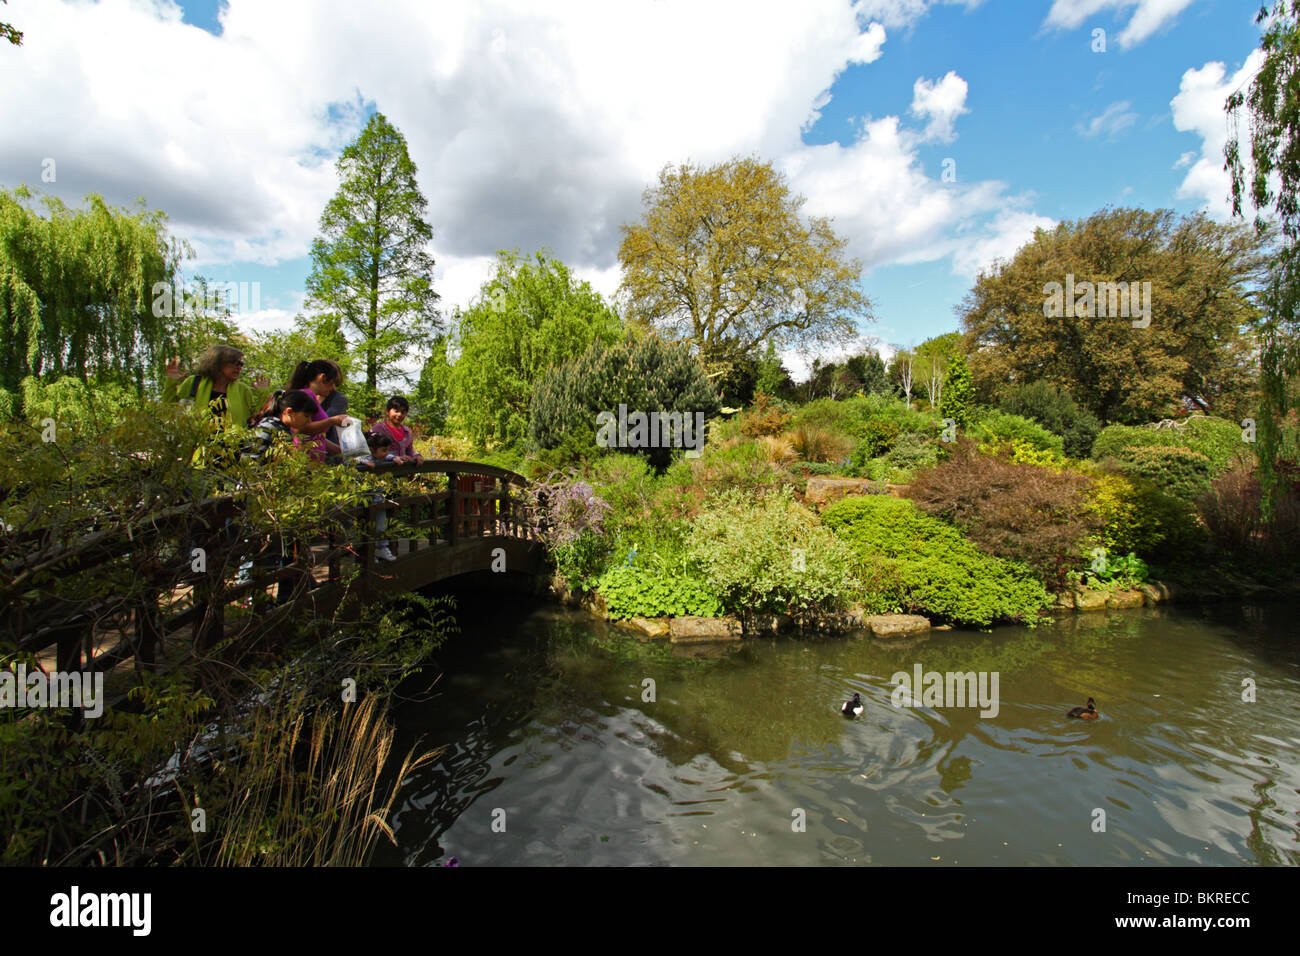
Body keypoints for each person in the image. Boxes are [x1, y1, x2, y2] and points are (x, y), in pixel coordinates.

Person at [163, 344, 269, 431]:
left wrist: (262, 393)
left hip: (234, 450)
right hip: (198, 448)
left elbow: (257, 417)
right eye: (237, 363)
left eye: (242, 364)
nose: (240, 368)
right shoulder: (194, 383)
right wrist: (171, 381)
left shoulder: (243, 390)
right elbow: (169, 407)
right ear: (218, 363)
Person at [358, 431, 398, 562]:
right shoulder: (365, 457)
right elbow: (354, 459)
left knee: (381, 525)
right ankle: (367, 552)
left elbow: (388, 457)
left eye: (387, 450)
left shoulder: (382, 457)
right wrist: (365, 462)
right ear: (372, 449)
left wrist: (393, 458)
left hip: (378, 499)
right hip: (364, 500)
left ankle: (381, 548)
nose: (386, 453)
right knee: (365, 527)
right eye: (384, 450)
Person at [371, 395, 424, 464]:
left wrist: (416, 456)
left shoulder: (406, 432)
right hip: (384, 471)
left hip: (403, 471)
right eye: (396, 411)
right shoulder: (379, 429)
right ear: (387, 411)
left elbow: (410, 450)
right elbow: (373, 451)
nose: (399, 414)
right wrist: (392, 457)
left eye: (403, 412)